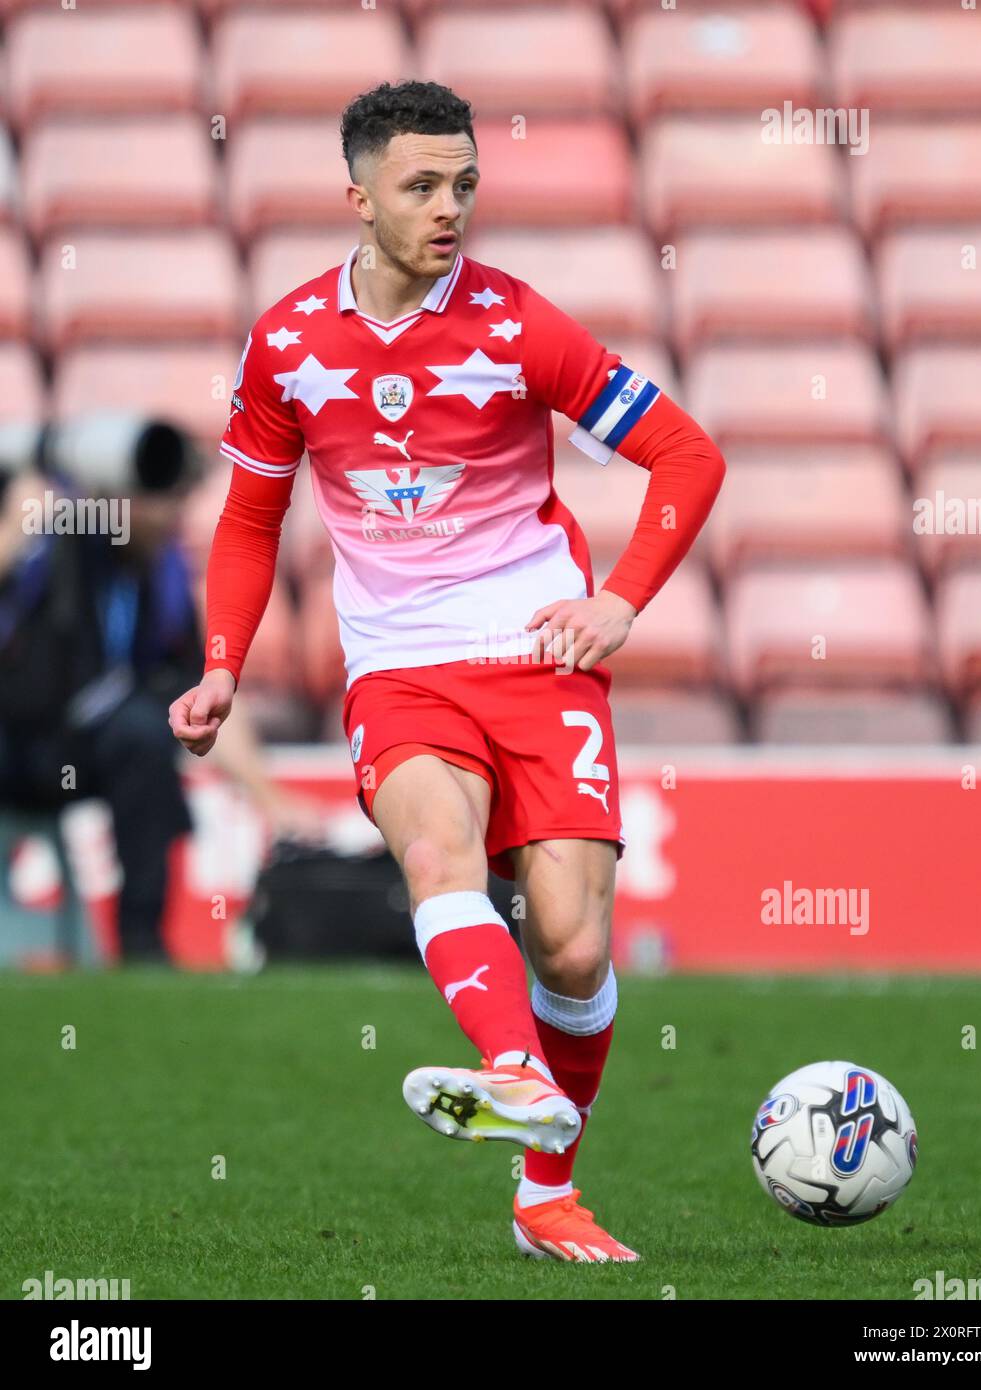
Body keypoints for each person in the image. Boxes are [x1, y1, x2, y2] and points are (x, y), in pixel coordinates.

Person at [169, 80, 725, 1262]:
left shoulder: (521, 326)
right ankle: (512, 1066)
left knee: (572, 945)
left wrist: (619, 600)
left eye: (465, 183)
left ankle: (544, 1195)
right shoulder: (287, 344)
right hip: (402, 665)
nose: (449, 207)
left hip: (538, 649)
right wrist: (223, 665)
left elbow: (686, 452)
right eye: (422, 185)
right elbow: (249, 521)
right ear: (357, 195)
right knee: (437, 848)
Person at [0, 447, 323, 964]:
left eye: (173, 494)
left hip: (87, 751)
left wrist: (270, 799)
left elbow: (205, 693)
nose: (167, 509)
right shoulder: (59, 541)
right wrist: (21, 529)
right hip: (17, 742)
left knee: (144, 739)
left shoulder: (163, 576)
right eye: (151, 493)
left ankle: (142, 943)